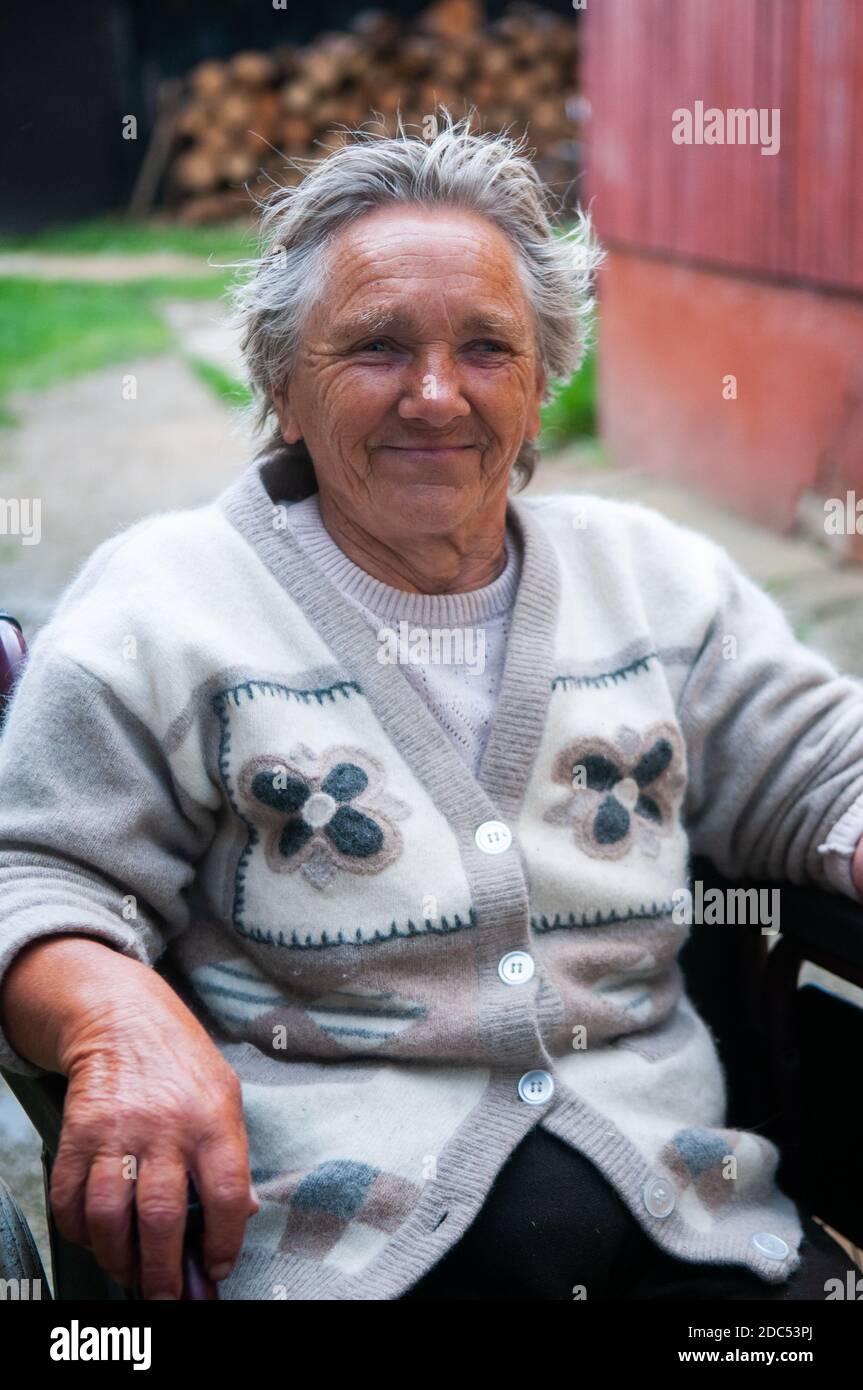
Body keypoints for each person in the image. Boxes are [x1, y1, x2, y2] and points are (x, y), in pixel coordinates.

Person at [0, 115, 861, 1302]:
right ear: (281, 387)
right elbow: (33, 871)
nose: (435, 395)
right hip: (337, 1242)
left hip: (691, 1212)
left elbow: (824, 770)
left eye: (487, 349)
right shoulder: (168, 601)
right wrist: (113, 1018)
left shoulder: (654, 578)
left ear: (544, 381)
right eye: (373, 348)